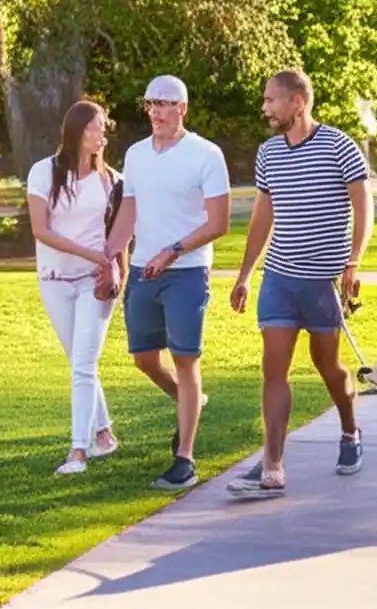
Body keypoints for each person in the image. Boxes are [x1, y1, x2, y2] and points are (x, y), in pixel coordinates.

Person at [225, 70, 374, 499]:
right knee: (274, 368)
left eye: (272, 100)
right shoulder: (269, 153)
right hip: (280, 278)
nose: (265, 108)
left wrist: (354, 261)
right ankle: (272, 466)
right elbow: (262, 218)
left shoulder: (338, 145)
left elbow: (363, 206)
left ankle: (350, 431)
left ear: (298, 102)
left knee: (329, 366)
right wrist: (245, 274)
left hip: (323, 282)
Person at [105, 75, 231, 491]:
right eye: (150, 104)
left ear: (183, 108)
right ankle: (190, 403)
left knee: (185, 358)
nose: (156, 112)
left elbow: (219, 224)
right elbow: (128, 211)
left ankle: (185, 458)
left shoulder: (206, 155)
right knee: (144, 359)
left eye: (164, 104)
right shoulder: (137, 155)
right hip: (143, 270)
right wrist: (109, 257)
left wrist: (172, 251)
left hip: (187, 272)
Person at [27, 101, 125, 475]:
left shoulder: (112, 180)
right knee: (79, 362)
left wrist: (113, 271)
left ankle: (78, 453)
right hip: (54, 280)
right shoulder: (43, 173)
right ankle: (105, 435)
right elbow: (41, 230)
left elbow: (120, 237)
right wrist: (93, 254)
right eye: (99, 126)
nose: (104, 133)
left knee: (83, 364)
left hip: (94, 284)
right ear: (80, 132)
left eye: (105, 126)